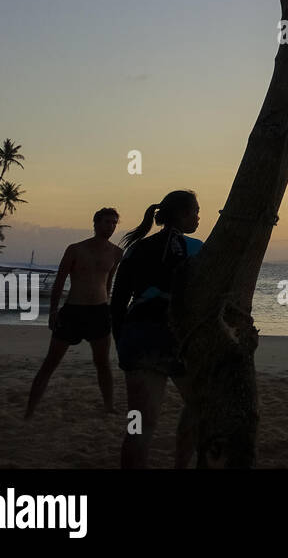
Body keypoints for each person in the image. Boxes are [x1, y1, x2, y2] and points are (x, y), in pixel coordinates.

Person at [109, 190, 203, 468]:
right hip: (175, 337)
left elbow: (117, 301)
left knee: (140, 425)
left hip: (137, 336)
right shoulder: (195, 248)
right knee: (200, 405)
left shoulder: (135, 248)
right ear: (182, 214)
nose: (199, 217)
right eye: (196, 211)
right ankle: (181, 465)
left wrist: (120, 340)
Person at [25, 208, 124, 418]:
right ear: (96, 223)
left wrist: (109, 308)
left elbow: (108, 282)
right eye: (107, 222)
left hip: (98, 312)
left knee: (103, 363)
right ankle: (30, 410)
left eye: (114, 223)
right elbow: (60, 281)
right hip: (73, 311)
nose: (111, 226)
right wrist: (53, 311)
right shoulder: (76, 249)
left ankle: (109, 406)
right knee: (50, 363)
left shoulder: (116, 252)